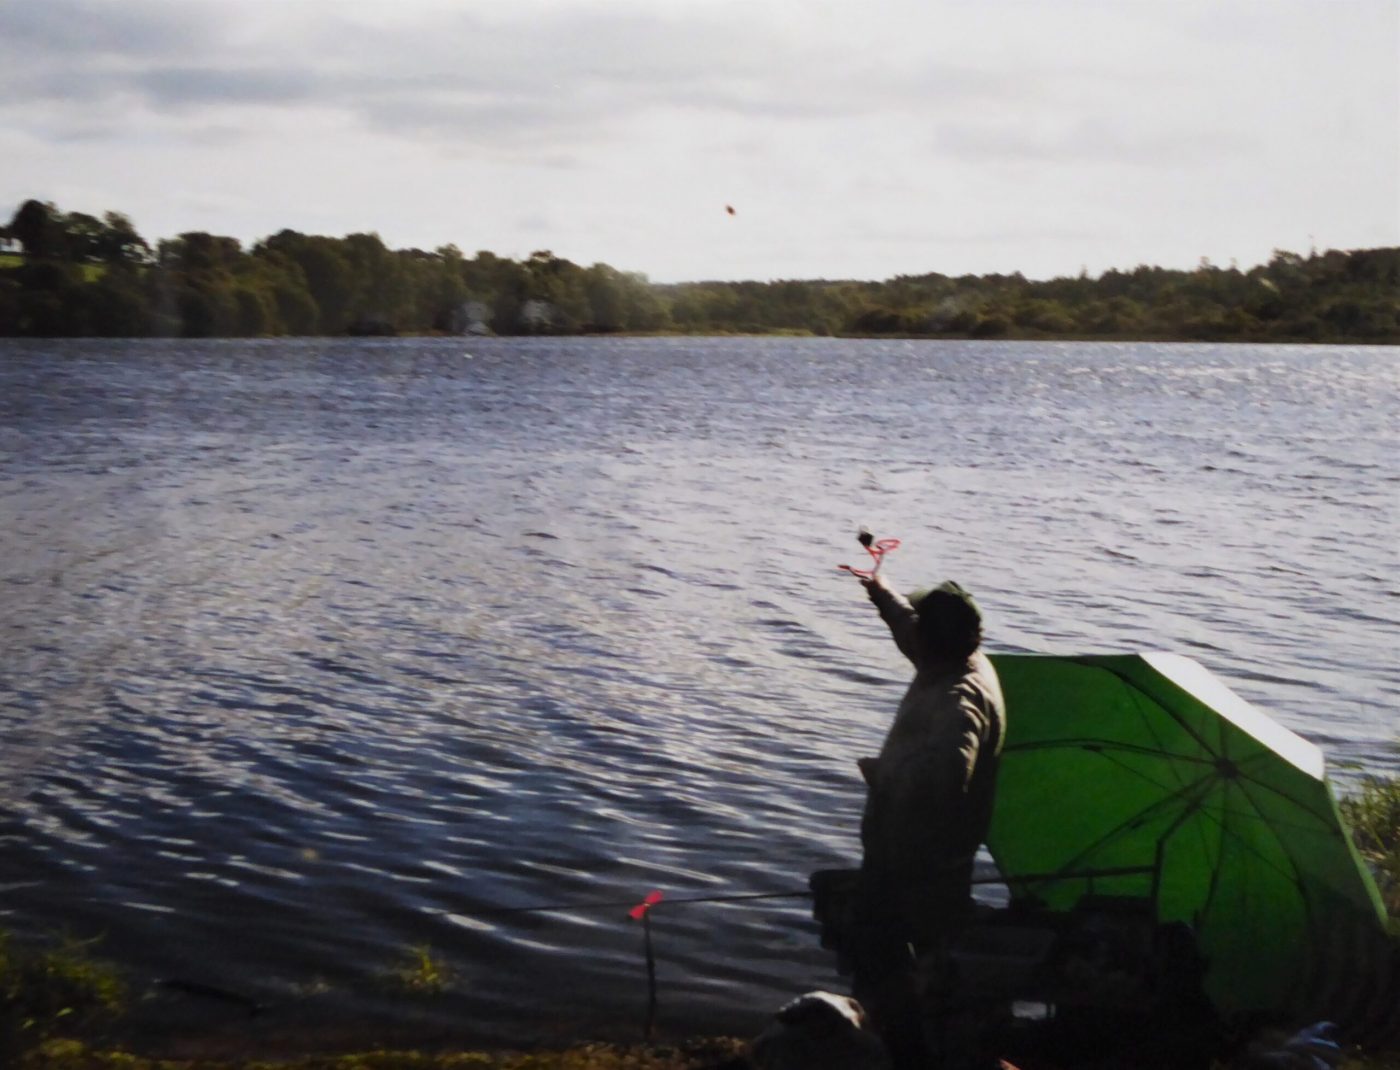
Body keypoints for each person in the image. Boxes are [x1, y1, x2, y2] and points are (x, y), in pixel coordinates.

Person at [848, 572, 1007, 1070]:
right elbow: (906, 625)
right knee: (914, 967)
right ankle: (927, 1049)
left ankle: (920, 1056)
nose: (911, 629)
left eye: (922, 625)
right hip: (915, 857)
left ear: (935, 640)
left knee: (906, 966)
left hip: (922, 865)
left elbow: (948, 778)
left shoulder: (960, 698)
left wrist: (890, 780)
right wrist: (877, 586)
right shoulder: (954, 659)